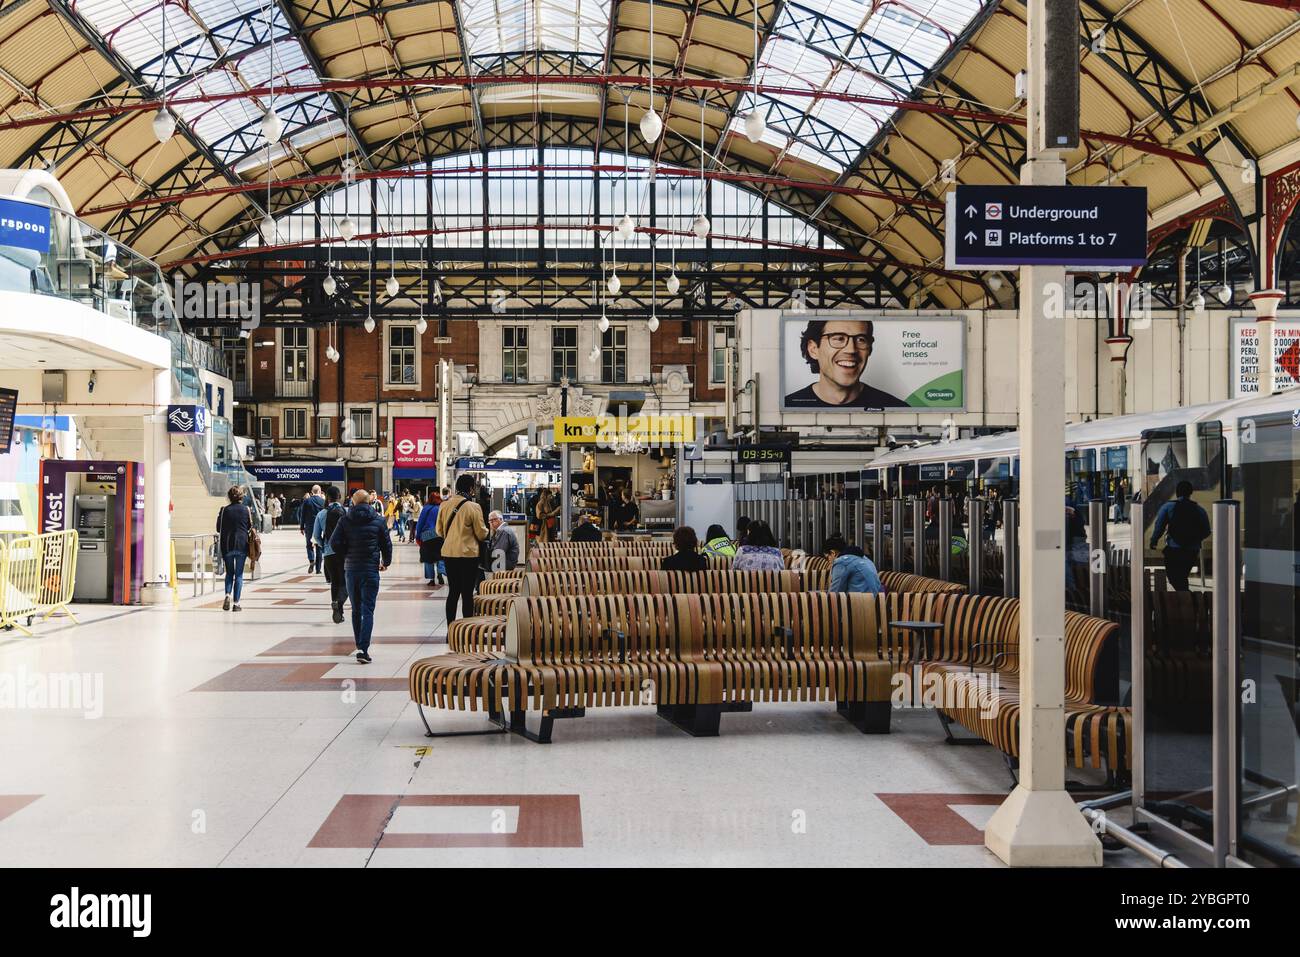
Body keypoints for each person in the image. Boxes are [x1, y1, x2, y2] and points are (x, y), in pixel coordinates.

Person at [328, 489, 393, 664]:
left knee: (356, 610)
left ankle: (359, 644)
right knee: (368, 610)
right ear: (370, 502)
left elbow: (333, 543)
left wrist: (346, 554)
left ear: (354, 503)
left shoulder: (345, 520)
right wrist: (385, 562)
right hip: (370, 570)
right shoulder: (379, 520)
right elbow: (387, 545)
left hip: (351, 570)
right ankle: (364, 648)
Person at [784, 319, 905, 410]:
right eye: (838, 338)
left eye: (861, 339)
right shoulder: (789, 405)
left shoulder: (897, 408)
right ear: (813, 349)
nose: (851, 350)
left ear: (870, 349)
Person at [436, 473, 489, 623]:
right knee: (467, 593)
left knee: (453, 591)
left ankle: (451, 629)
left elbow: (439, 531)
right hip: (468, 555)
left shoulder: (444, 504)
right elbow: (481, 533)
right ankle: (466, 630)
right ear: (471, 488)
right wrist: (488, 531)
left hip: (449, 553)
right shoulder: (474, 507)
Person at [1150, 480, 1211, 591]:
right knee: (1182, 577)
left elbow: (1159, 526)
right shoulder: (1199, 509)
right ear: (1190, 493)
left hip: (1174, 549)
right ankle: (1188, 601)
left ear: (1176, 492)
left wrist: (1154, 540)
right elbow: (1207, 531)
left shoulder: (1168, 507)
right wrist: (1195, 540)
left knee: (1174, 577)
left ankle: (1189, 600)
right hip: (1192, 550)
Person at [313, 485, 348, 623]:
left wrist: (324, 545)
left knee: (334, 581)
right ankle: (339, 605)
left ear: (327, 497)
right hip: (344, 552)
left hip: (329, 553)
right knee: (344, 581)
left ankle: (335, 602)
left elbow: (316, 535)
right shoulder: (345, 512)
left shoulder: (321, 514)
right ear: (339, 496)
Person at [217, 485, 251, 612]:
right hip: (242, 544)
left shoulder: (224, 510)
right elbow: (249, 526)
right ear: (241, 497)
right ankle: (236, 604)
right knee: (239, 574)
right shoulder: (246, 509)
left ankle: (227, 595)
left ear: (229, 497)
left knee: (229, 573)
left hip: (227, 544)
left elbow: (217, 528)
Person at [415, 491, 445, 586]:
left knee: (428, 557)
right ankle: (440, 572)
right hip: (439, 533)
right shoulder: (442, 508)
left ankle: (431, 579)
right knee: (440, 555)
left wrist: (418, 536)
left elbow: (420, 523)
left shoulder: (426, 508)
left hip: (427, 534)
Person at [299, 484, 326, 574]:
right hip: (320, 526)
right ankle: (318, 569)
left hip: (309, 526)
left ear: (312, 491)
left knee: (309, 545)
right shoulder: (323, 501)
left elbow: (302, 515)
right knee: (319, 546)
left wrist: (302, 527)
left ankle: (311, 560)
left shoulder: (307, 501)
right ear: (319, 491)